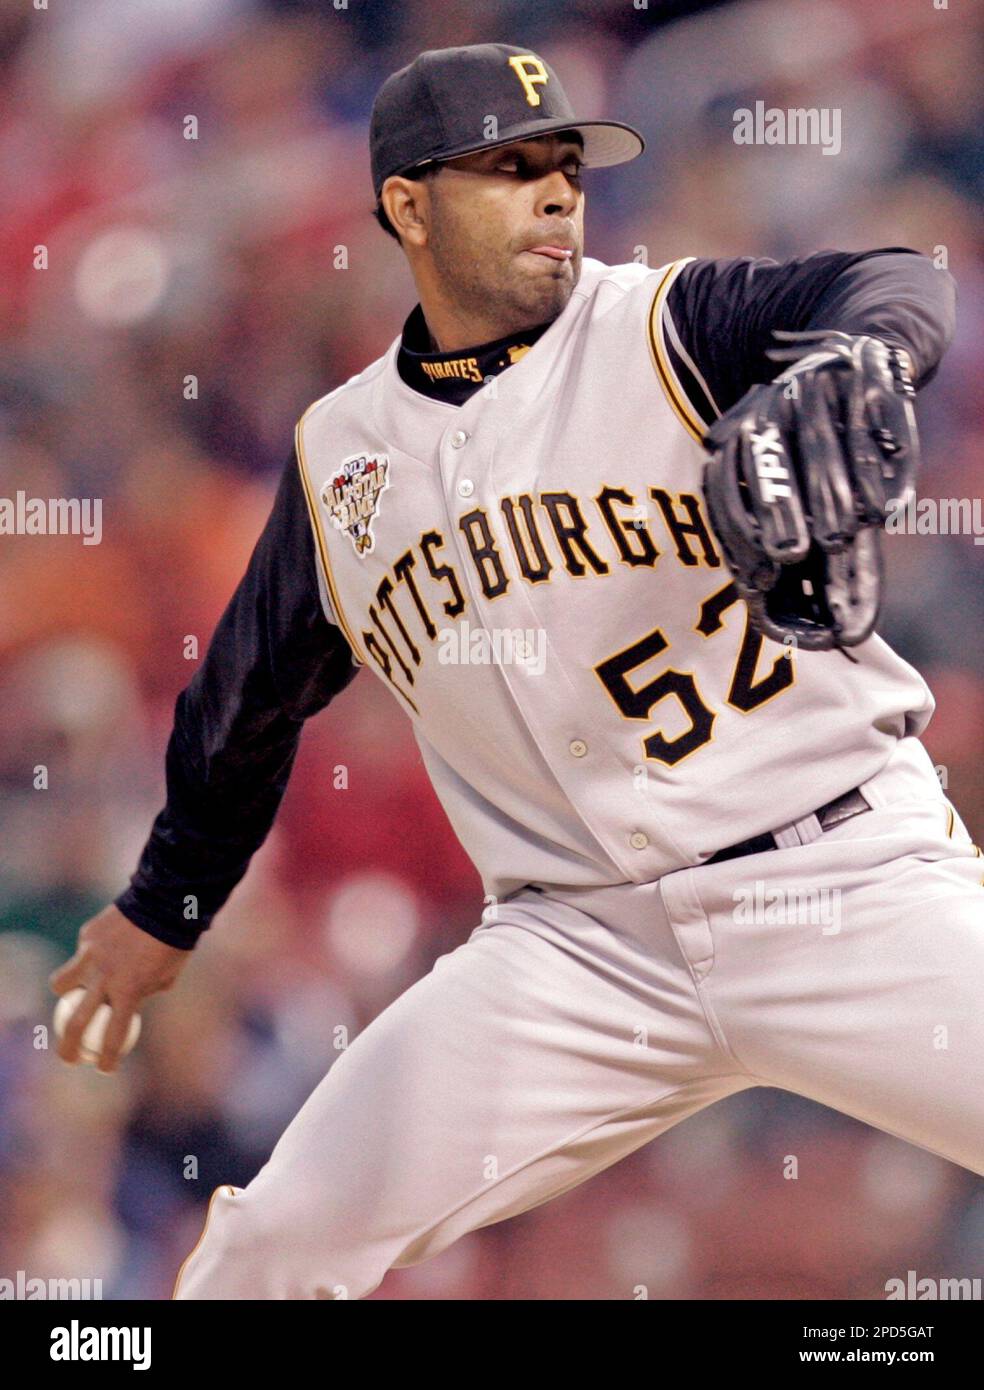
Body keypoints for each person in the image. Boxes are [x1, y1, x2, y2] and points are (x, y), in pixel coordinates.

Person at [51, 43, 981, 1302]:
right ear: (408, 207)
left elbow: (889, 284)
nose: (556, 193)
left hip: (842, 882)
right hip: (577, 951)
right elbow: (243, 703)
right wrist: (165, 908)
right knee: (269, 1251)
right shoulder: (346, 455)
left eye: (566, 166)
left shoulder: (670, 322)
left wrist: (858, 359)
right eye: (509, 166)